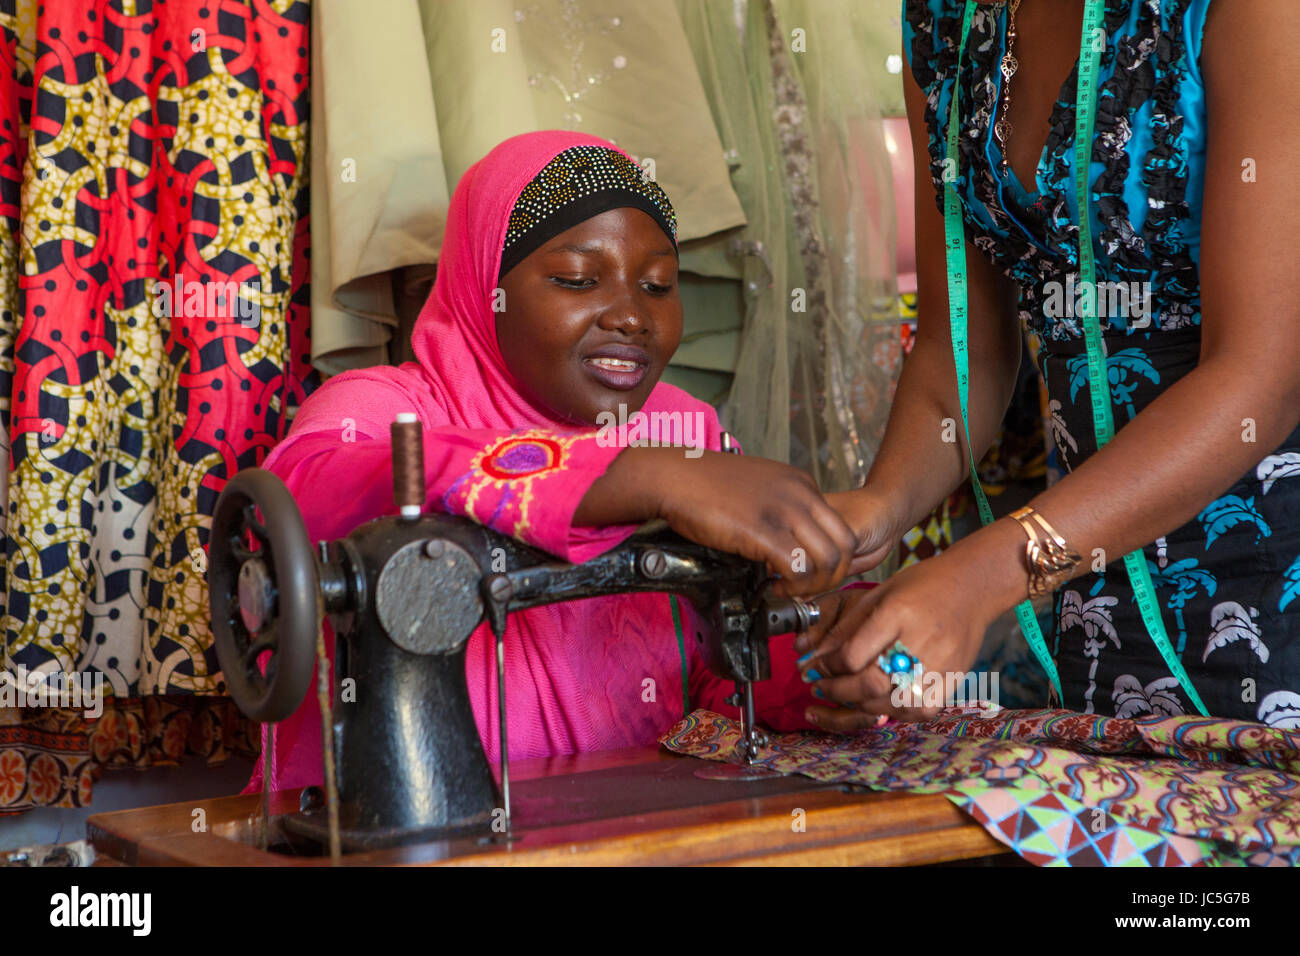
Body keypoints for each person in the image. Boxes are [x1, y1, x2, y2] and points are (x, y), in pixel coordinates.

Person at [244, 130, 857, 791]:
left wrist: (830, 669)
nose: (630, 316)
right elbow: (308, 487)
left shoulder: (685, 431)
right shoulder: (382, 409)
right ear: (486, 285)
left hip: (635, 831)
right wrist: (636, 479)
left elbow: (716, 672)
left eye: (658, 286)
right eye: (576, 280)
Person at [800, 0, 1300, 728]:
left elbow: (1265, 376)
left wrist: (987, 572)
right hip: (1090, 593)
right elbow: (958, 357)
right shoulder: (949, 26)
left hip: (1275, 588)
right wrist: (877, 513)